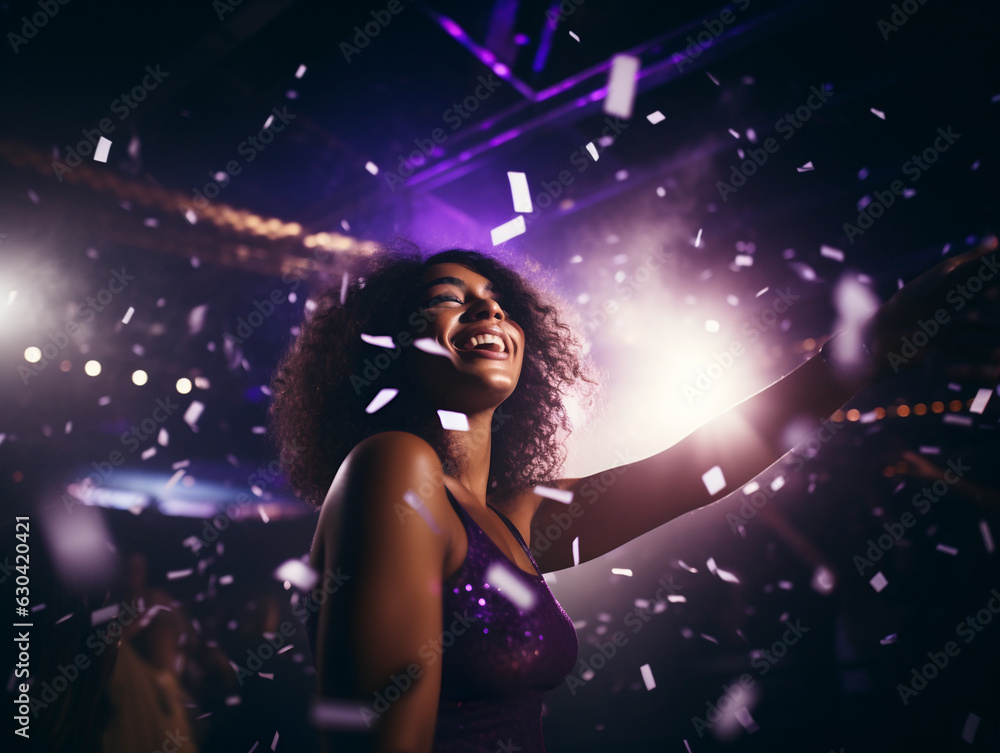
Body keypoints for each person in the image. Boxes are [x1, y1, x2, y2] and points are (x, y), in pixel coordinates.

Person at [268, 238, 997, 752]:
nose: (485, 313)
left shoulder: (514, 517)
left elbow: (697, 468)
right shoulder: (391, 465)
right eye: (446, 301)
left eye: (497, 302)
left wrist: (868, 350)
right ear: (393, 345)